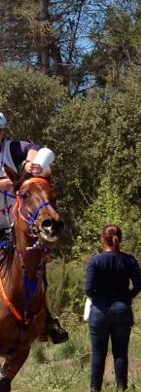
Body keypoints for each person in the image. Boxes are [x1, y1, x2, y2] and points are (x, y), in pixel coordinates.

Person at [0, 110, 69, 344]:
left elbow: (39, 155)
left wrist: (32, 164)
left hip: (17, 224)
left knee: (36, 265)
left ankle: (46, 319)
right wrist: (10, 181)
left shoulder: (14, 148)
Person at [83, 224, 141, 392]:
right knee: (121, 351)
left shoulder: (95, 261)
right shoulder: (129, 260)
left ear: (103, 239)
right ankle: (121, 389)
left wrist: (97, 298)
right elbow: (138, 284)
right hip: (123, 308)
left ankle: (95, 390)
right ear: (120, 239)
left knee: (98, 351)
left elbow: (88, 288)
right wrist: (128, 297)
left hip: (100, 310)